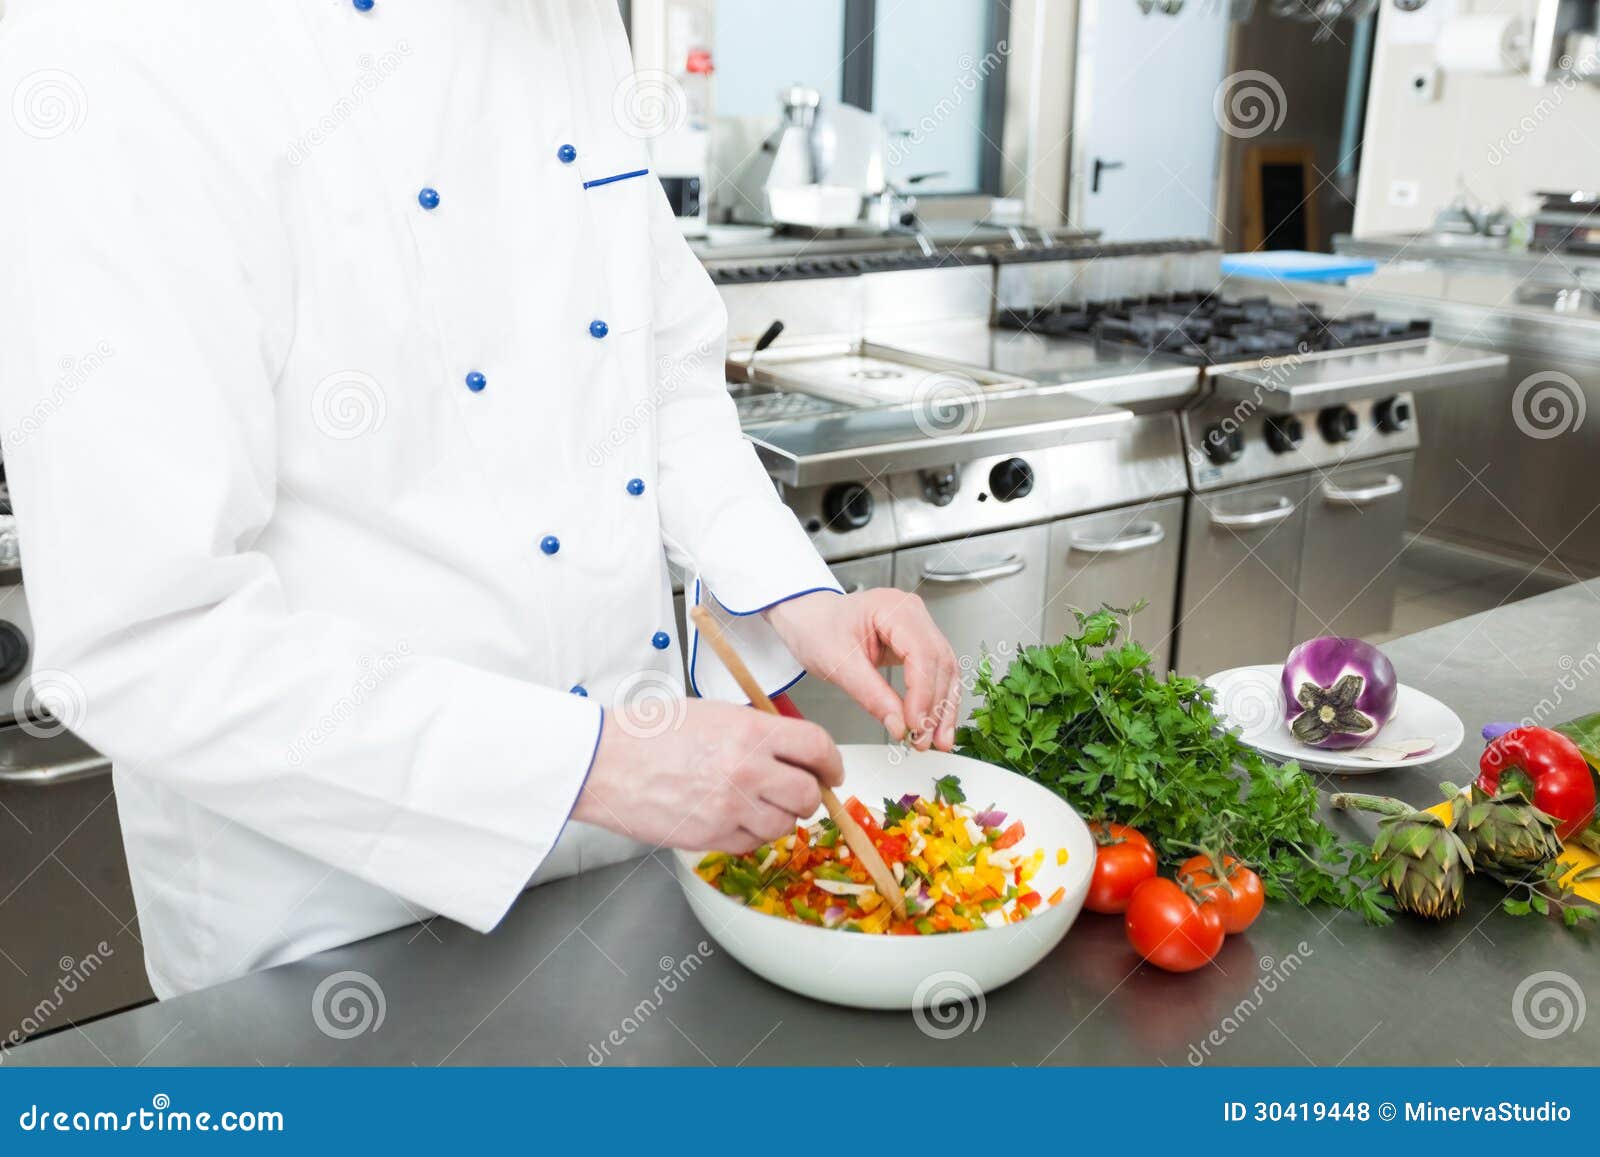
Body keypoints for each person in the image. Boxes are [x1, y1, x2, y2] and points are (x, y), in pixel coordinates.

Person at [0, 0, 960, 998]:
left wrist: (798, 598)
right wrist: (597, 766)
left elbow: (658, 366)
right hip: (329, 930)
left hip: (622, 877)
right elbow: (148, 639)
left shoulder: (571, 18)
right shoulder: (114, 42)